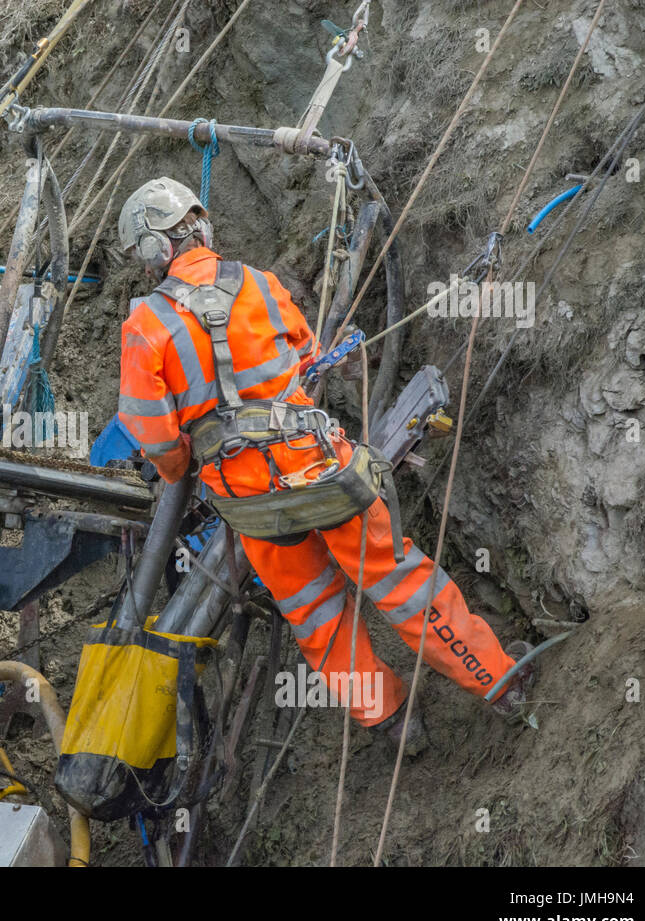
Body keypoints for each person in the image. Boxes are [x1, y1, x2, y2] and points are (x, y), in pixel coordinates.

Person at [115, 177, 535, 752]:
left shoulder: (143, 327)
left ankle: (390, 722)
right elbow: (312, 359)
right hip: (319, 471)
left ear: (150, 250)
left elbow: (155, 439)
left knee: (315, 613)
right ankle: (498, 681)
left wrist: (182, 464)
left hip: (249, 503)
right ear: (201, 226)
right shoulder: (259, 285)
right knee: (396, 578)